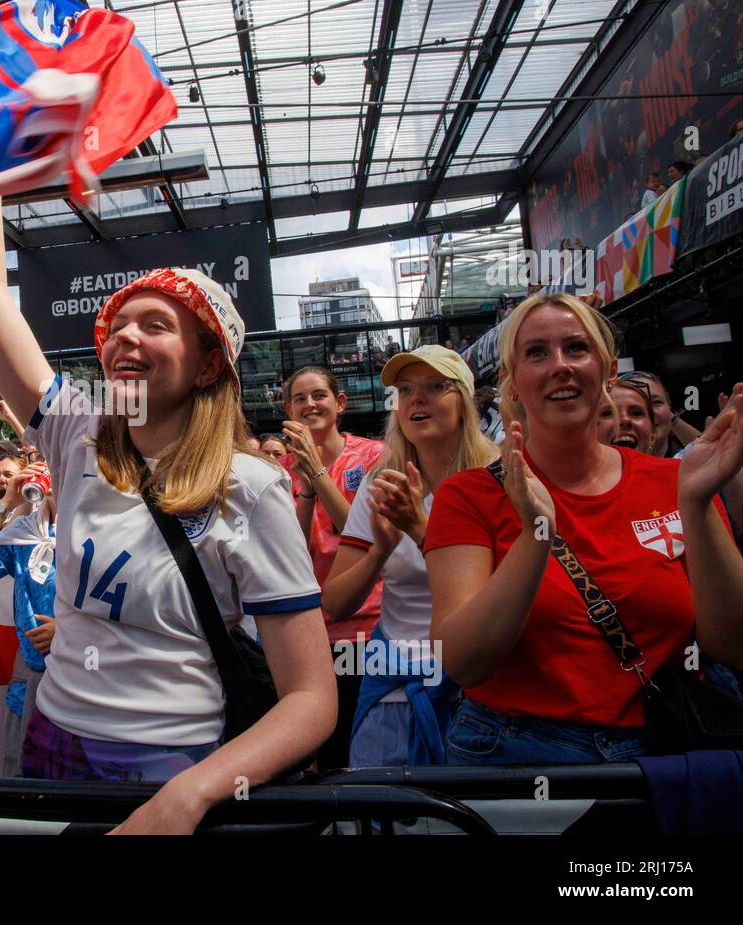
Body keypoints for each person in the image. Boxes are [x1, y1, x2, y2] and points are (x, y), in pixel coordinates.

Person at [0, 197, 335, 833]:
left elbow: (312, 698)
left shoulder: (253, 489)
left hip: (175, 768)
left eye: (156, 325)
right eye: (118, 326)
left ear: (209, 364)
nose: (125, 335)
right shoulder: (75, 433)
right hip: (49, 748)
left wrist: (191, 796)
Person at [425, 294, 741, 764]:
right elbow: (463, 663)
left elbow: (732, 644)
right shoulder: (468, 495)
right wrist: (536, 536)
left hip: (663, 749)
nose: (560, 367)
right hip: (515, 753)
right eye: (536, 353)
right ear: (511, 385)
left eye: (576, 349)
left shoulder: (680, 483)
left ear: (608, 370)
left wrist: (696, 504)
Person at [323, 347, 497, 766]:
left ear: (465, 403)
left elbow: (502, 592)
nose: (416, 399)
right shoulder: (381, 484)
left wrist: (420, 530)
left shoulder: (498, 479)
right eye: (405, 390)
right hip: (393, 685)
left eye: (435, 387)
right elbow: (335, 602)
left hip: (478, 687)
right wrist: (380, 550)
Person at [279, 364, 385, 770]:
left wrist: (317, 471)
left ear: (339, 403)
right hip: (309, 632)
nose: (310, 405)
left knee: (368, 746)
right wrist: (305, 483)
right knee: (323, 751)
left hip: (367, 630)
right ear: (288, 408)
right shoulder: (279, 472)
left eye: (319, 395)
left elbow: (359, 531)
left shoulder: (374, 455)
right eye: (300, 398)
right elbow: (293, 551)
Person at [0, 460, 57, 776]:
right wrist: (6, 505)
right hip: (29, 673)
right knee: (19, 769)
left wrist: (69, 630)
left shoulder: (100, 529)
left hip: (82, 674)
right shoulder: (24, 531)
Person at [597, 378, 655, 454]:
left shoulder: (674, 465)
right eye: (608, 413)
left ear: (652, 437)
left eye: (636, 413)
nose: (625, 419)